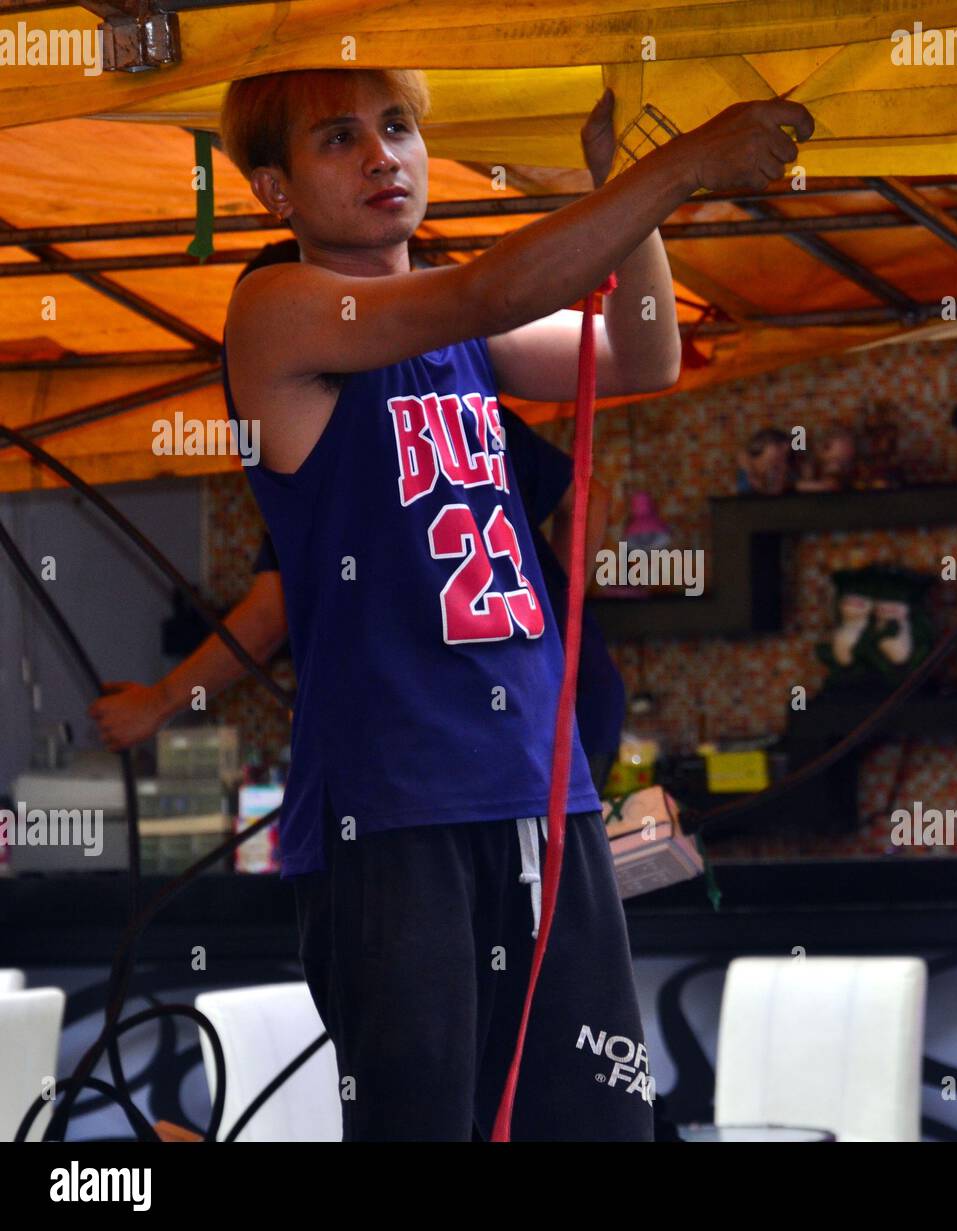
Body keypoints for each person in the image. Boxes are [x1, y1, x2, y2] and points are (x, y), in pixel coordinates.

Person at [215, 66, 812, 1141]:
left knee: (594, 1125)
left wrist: (631, 200)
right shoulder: (279, 308)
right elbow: (490, 289)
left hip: (542, 793)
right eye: (338, 139)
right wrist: (682, 168)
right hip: (393, 809)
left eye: (397, 127)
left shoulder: (459, 334)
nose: (382, 156)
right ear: (275, 192)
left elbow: (644, 355)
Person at [89, 249, 627, 794]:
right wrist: (551, 610)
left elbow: (269, 615)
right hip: (534, 710)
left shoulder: (335, 449)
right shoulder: (453, 405)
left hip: (505, 731)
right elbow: (588, 496)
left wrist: (158, 703)